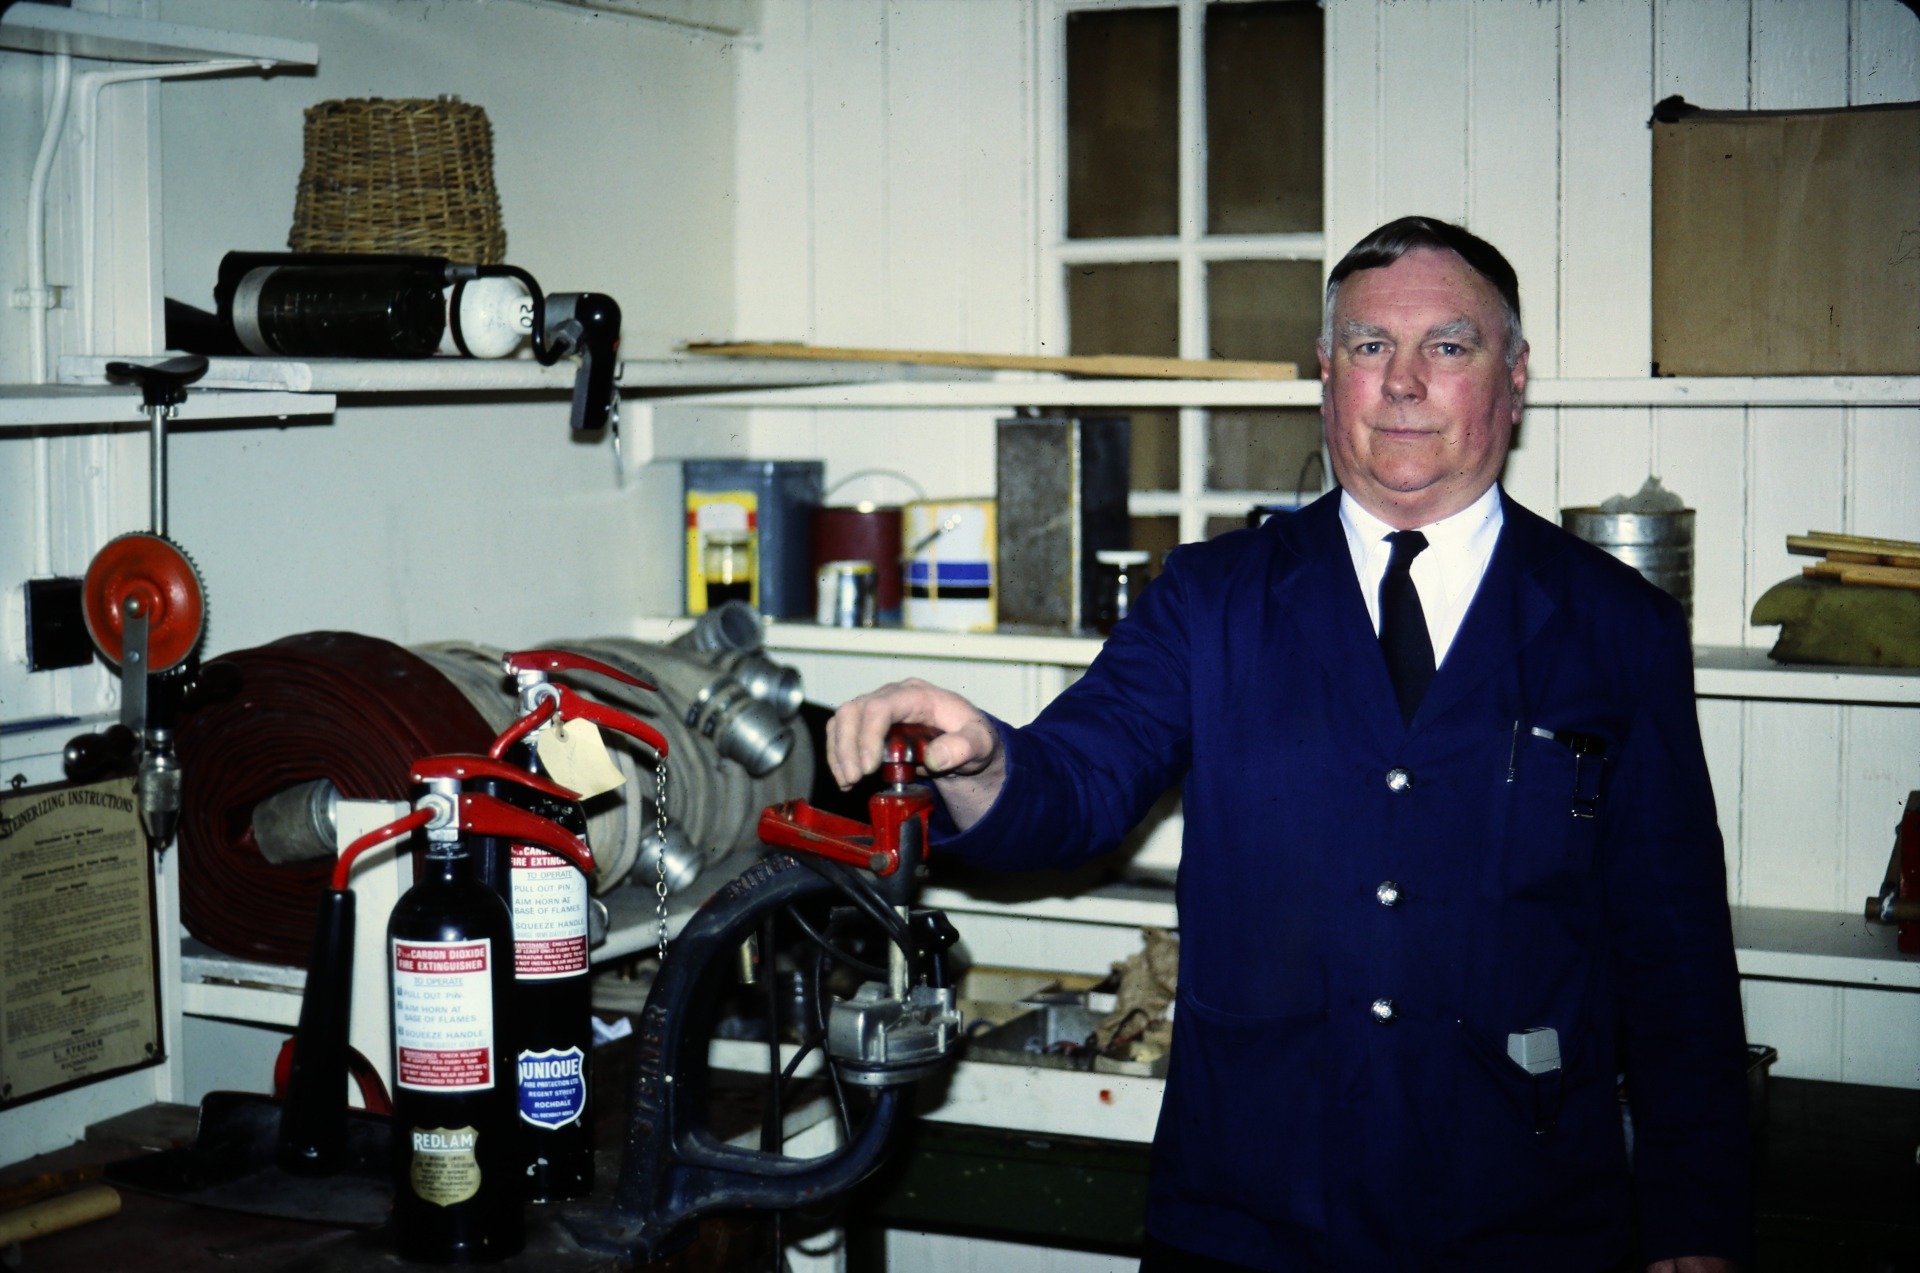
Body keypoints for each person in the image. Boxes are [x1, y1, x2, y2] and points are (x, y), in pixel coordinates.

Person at [827, 217, 1751, 1273]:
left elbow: (1674, 950)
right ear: (1325, 375)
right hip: (1252, 1210)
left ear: (1514, 377)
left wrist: (1696, 1222)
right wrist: (986, 754)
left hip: (1521, 1213)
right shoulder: (1210, 600)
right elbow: (1077, 779)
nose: (1403, 383)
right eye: (1368, 347)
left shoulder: (1617, 626)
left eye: (1448, 347)